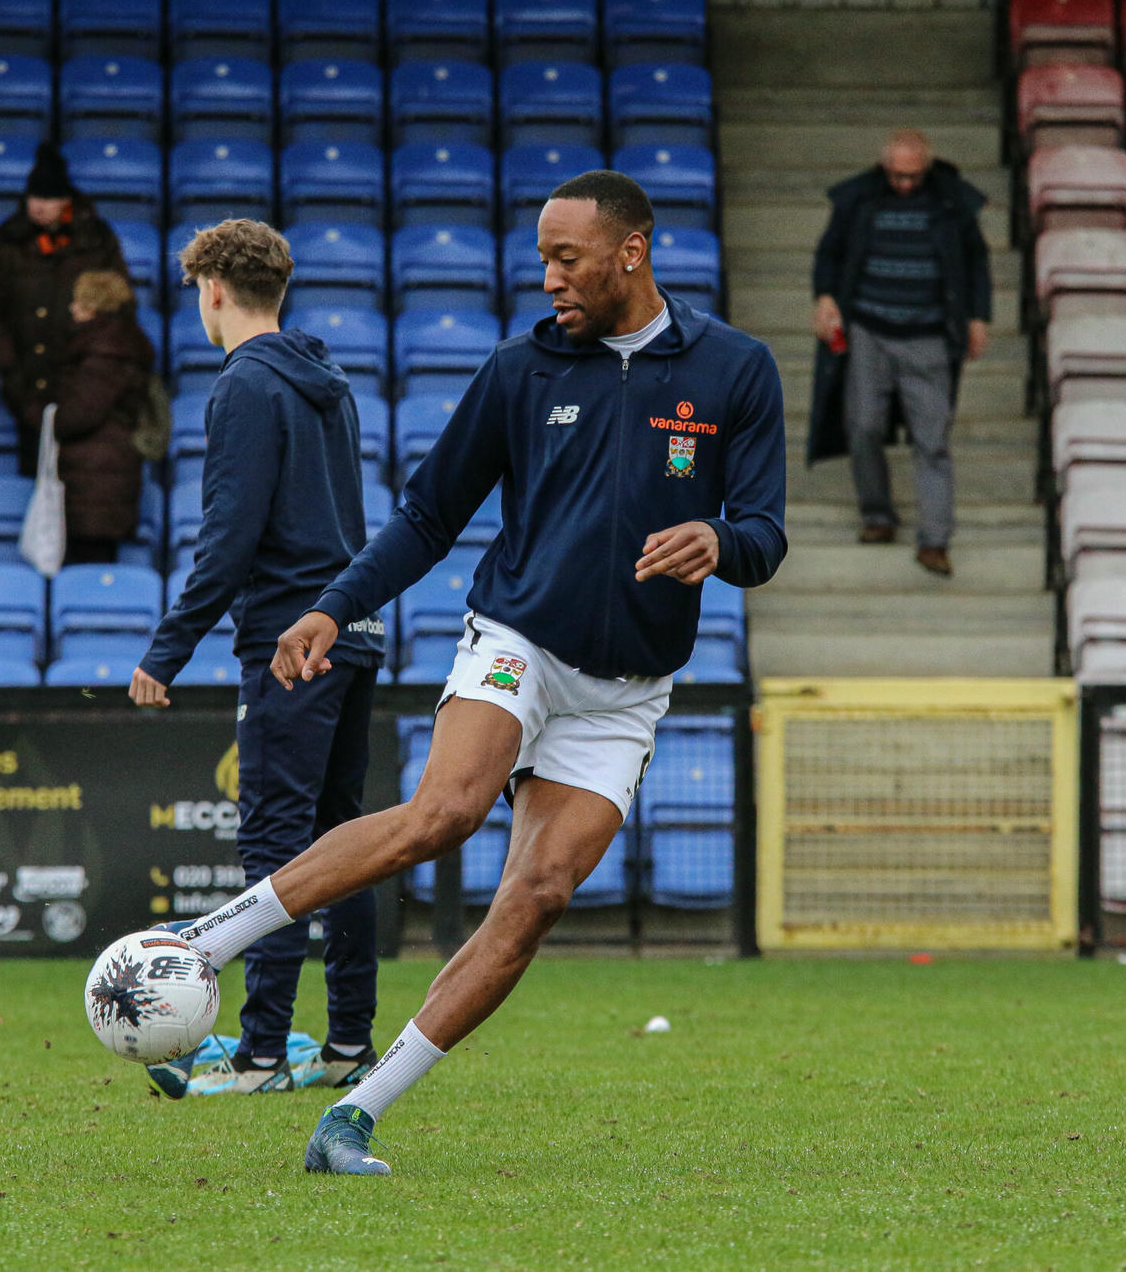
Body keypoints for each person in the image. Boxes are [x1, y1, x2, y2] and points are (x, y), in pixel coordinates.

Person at [150, 172, 787, 1175]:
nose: (546, 278)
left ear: (631, 251)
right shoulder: (518, 371)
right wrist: (333, 604)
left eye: (564, 258)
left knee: (532, 895)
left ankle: (353, 1113)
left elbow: (764, 531)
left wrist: (719, 537)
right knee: (440, 812)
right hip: (517, 637)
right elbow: (425, 518)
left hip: (626, 691)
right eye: (540, 257)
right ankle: (201, 942)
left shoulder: (734, 370)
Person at [129, 220, 385, 1095]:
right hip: (353, 628)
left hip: (287, 641)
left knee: (276, 850)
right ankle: (349, 1043)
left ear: (210, 292)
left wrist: (167, 648)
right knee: (344, 845)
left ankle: (263, 1055)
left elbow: (229, 536)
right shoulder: (330, 382)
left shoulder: (244, 384)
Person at [809, 127, 991, 578]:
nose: (905, 183)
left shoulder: (951, 203)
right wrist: (825, 296)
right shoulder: (860, 199)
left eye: (913, 176)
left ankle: (934, 540)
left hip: (929, 336)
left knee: (932, 440)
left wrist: (978, 317)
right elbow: (828, 253)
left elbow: (977, 262)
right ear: (883, 167)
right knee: (863, 426)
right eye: (897, 175)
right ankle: (877, 514)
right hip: (869, 332)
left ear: (926, 169)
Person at [0, 142, 130, 478]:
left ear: (66, 201)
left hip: (83, 387)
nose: (38, 207)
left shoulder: (97, 239)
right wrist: (12, 373)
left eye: (47, 199)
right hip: (26, 385)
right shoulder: (8, 240)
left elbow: (118, 306)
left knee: (81, 491)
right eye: (33, 198)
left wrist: (93, 369)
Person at [56, 270, 156, 566]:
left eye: (79, 302)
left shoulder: (102, 353)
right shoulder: (121, 343)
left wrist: (44, 416)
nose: (72, 308)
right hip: (107, 471)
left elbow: (78, 415)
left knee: (87, 565)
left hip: (95, 475)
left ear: (94, 307)